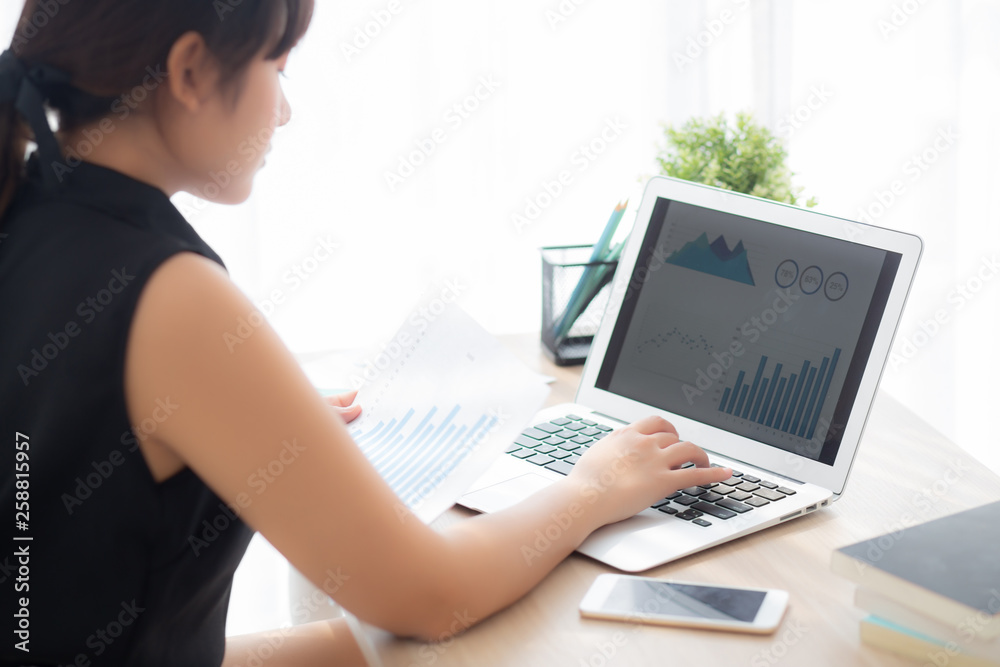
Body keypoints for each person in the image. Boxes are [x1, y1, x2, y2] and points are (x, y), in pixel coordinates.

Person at [0, 1, 731, 665]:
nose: (284, 112)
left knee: (355, 647)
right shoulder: (170, 294)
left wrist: (248, 423)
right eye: (276, 70)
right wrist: (592, 488)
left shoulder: (26, 217)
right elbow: (432, 595)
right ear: (190, 71)